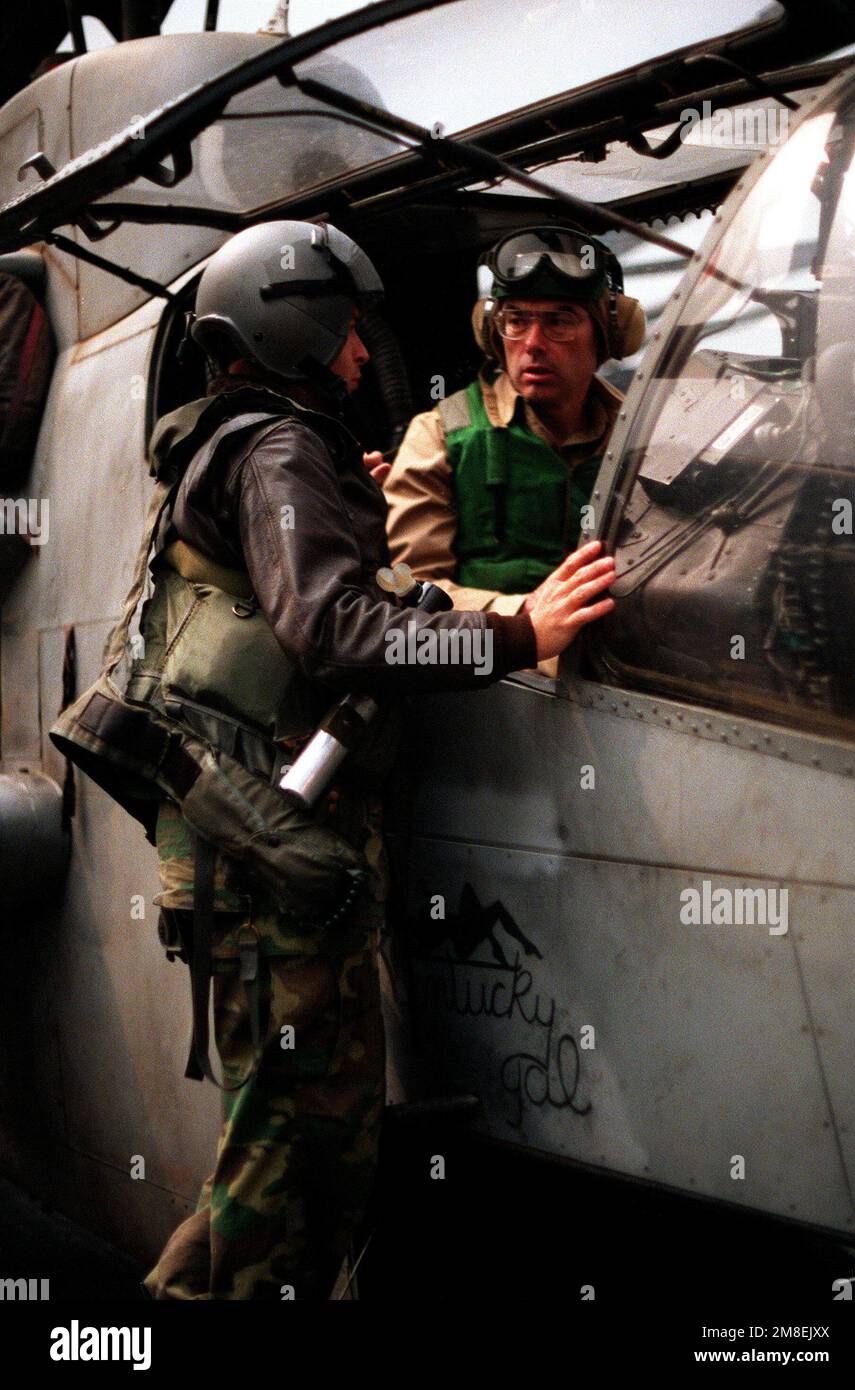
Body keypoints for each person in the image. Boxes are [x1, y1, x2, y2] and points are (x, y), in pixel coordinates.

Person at [53, 220, 618, 1302]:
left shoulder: (246, 445)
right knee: (289, 1164)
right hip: (274, 872)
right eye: (349, 331)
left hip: (257, 859)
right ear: (297, 331)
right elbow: (332, 631)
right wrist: (517, 634)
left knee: (292, 1157)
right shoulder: (277, 450)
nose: (363, 354)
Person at [382, 225, 645, 623]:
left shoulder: (641, 436)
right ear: (492, 329)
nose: (533, 343)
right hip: (495, 657)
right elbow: (409, 587)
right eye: (516, 321)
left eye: (560, 321)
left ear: (609, 335)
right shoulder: (441, 435)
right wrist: (523, 615)